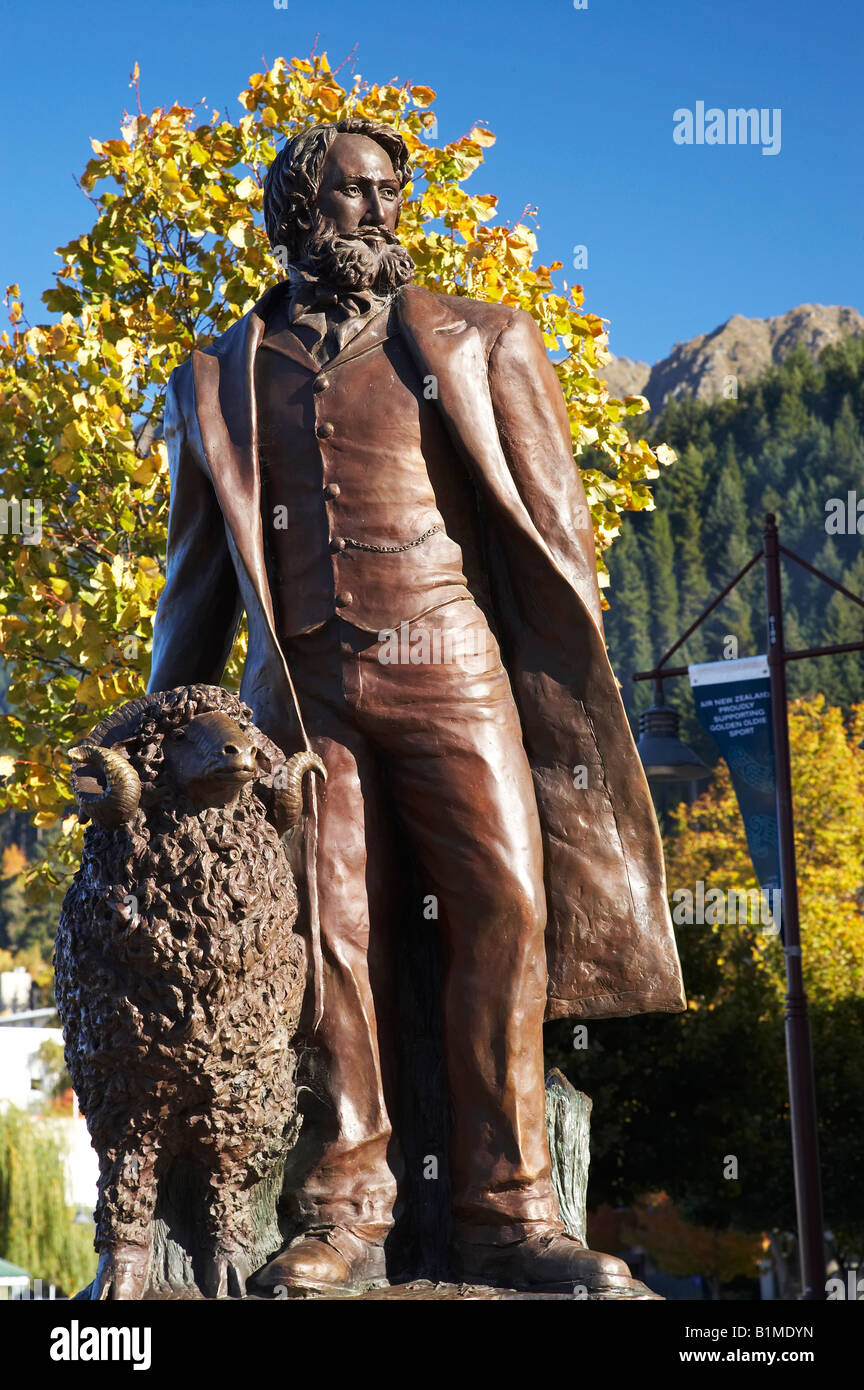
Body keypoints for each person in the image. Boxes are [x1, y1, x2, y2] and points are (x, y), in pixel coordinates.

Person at [147, 118, 685, 1296]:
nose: (381, 211)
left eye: (391, 191)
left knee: (504, 907)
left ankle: (512, 1217)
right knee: (333, 940)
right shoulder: (218, 373)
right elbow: (196, 586)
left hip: (457, 670)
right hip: (305, 695)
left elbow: (560, 544)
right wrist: (155, 741)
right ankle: (344, 1212)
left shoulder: (487, 341)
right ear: (296, 211)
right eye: (352, 194)